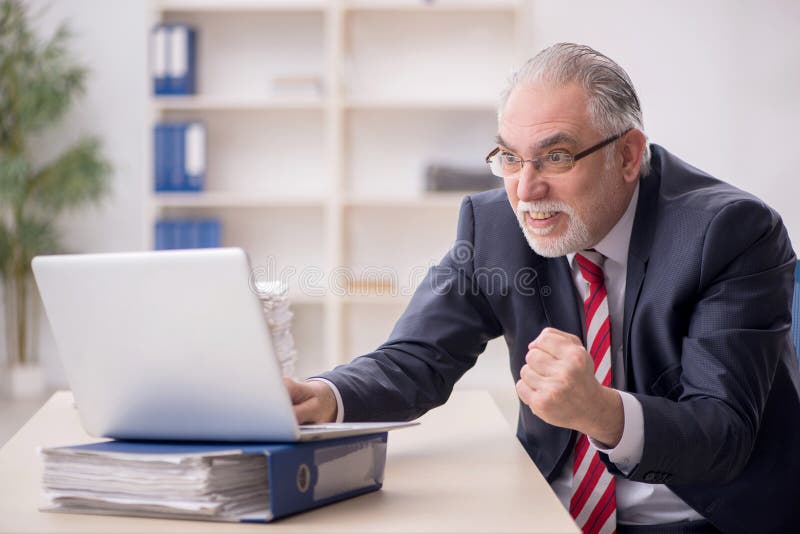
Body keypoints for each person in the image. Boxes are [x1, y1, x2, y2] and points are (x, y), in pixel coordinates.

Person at [284, 43, 800, 534]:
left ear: (627, 156)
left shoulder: (731, 233)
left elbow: (722, 431)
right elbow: (414, 360)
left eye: (555, 157)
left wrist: (601, 411)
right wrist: (324, 398)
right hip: (551, 512)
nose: (526, 191)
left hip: (701, 518)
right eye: (509, 157)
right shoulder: (494, 227)